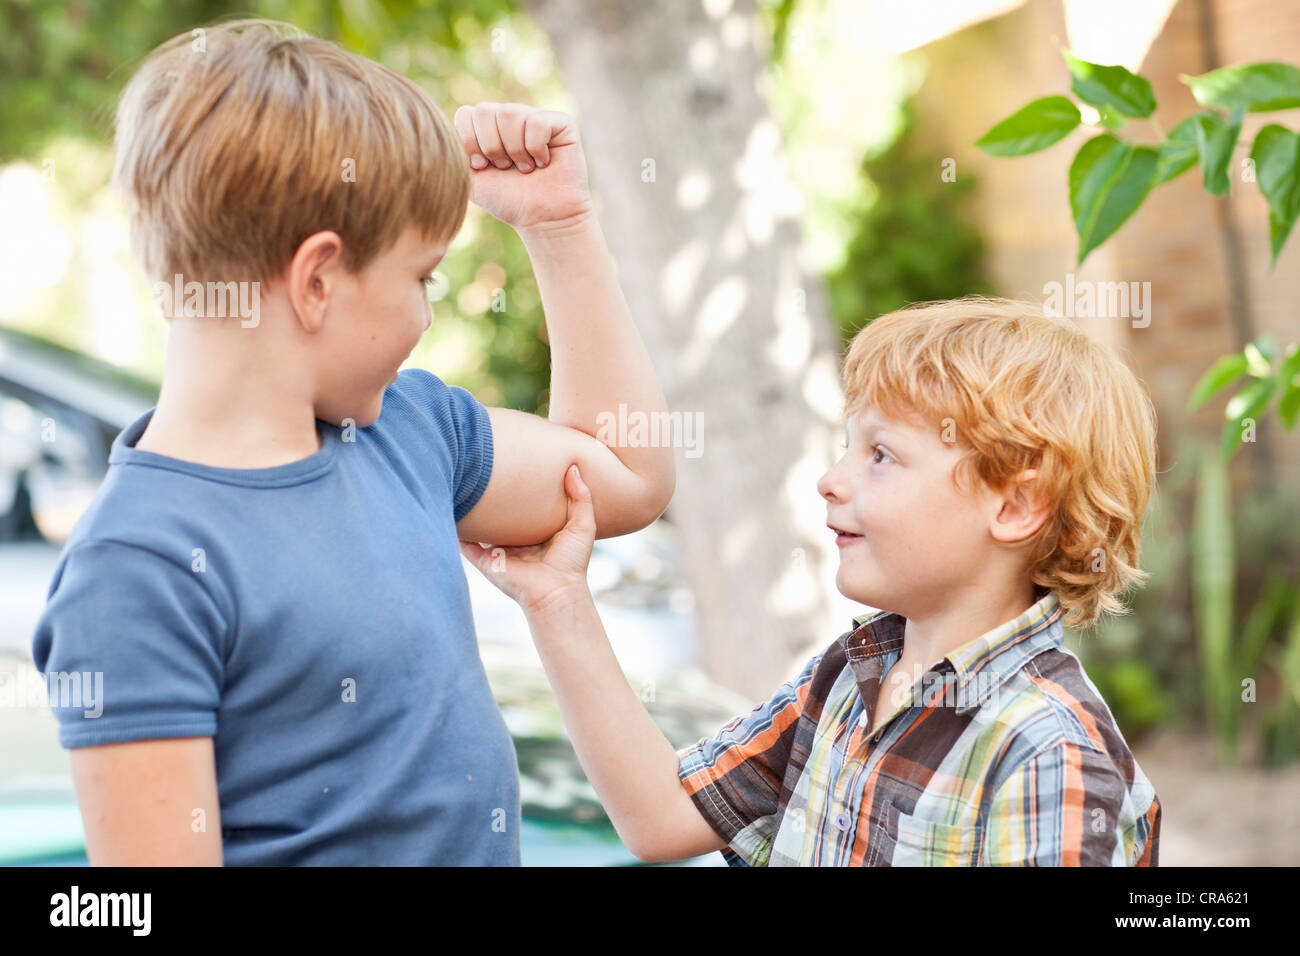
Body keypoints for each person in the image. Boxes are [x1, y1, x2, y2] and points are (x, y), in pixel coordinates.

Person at [30, 18, 674, 865]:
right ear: (318, 279)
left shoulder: (412, 433)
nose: (426, 309)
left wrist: (559, 227)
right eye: (422, 278)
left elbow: (626, 473)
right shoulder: (138, 569)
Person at [462, 295, 1163, 866]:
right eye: (846, 447)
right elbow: (661, 817)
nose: (831, 481)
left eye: (881, 455)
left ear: (1014, 506)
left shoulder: (1050, 756)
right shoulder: (847, 680)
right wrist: (557, 598)